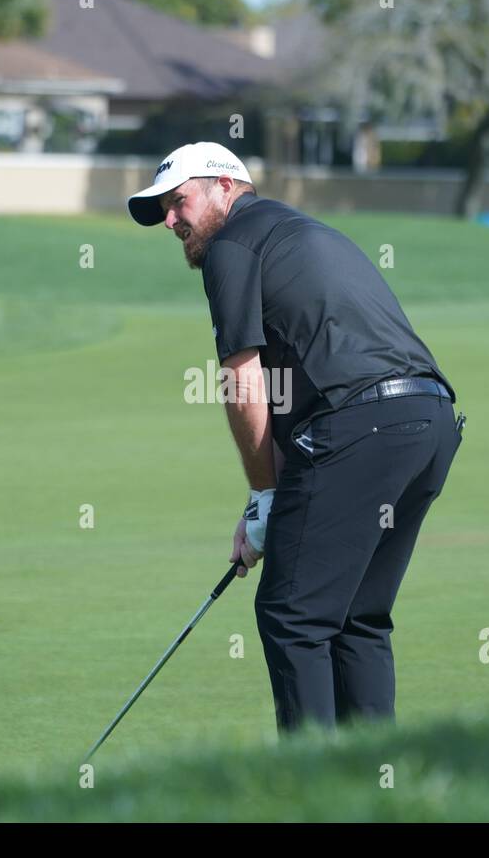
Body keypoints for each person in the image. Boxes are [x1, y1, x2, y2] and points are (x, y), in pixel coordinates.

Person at [127, 142, 465, 735]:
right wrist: (265, 503)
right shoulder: (298, 232)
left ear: (225, 187)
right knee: (357, 617)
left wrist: (264, 497)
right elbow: (294, 394)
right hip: (428, 424)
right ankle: (378, 787)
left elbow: (241, 377)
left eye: (178, 203)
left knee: (293, 615)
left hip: (361, 426)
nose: (171, 222)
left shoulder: (231, 245)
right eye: (162, 213)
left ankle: (315, 791)